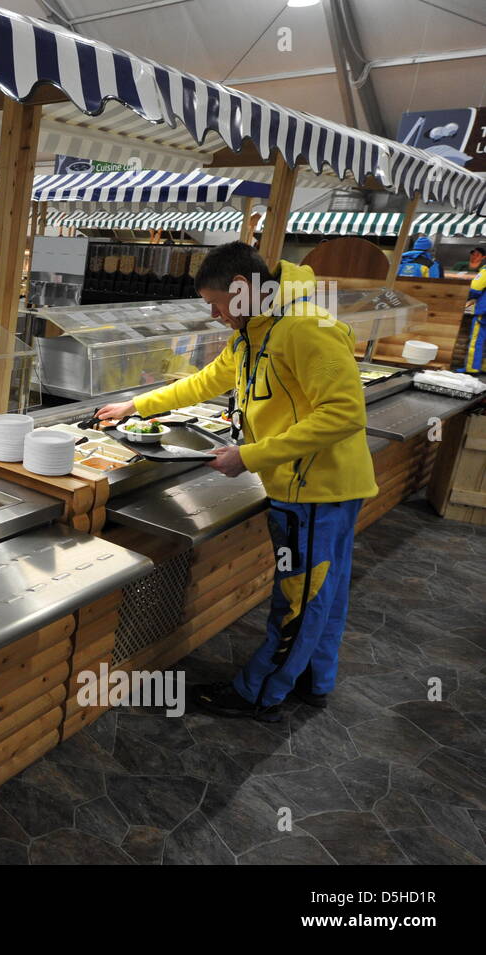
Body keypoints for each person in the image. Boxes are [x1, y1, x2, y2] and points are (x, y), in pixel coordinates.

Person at [97, 242, 377, 723]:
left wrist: (250, 455)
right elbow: (207, 381)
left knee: (299, 598)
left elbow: (344, 413)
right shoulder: (256, 330)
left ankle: (259, 694)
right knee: (323, 590)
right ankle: (312, 678)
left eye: (217, 303)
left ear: (244, 290)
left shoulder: (306, 326)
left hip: (315, 489)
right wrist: (135, 406)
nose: (214, 315)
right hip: (306, 485)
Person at [463, 246, 486, 373]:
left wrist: (470, 299)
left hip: (484, 310)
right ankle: (484, 366)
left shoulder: (485, 270)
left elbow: (475, 288)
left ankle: (472, 367)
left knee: (477, 340)